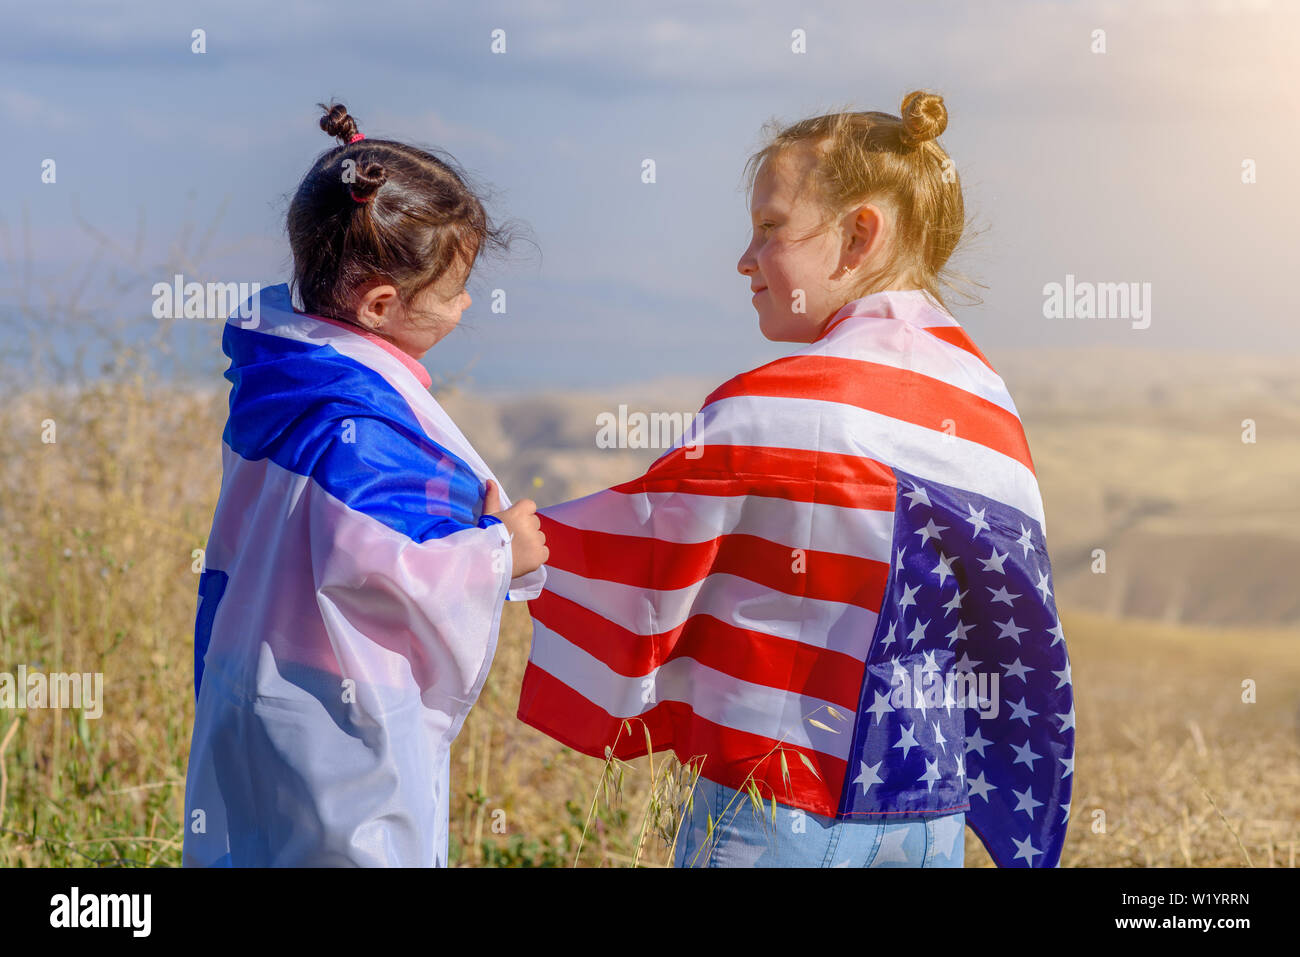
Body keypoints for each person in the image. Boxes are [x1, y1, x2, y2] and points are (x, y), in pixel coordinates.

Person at [516, 91, 1074, 867]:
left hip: (777, 811)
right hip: (929, 817)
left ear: (858, 235)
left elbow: (642, 560)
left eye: (771, 228)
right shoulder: (987, 407)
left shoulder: (769, 408)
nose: (745, 259)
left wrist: (504, 549)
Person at [183, 103, 548, 867]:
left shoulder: (282, 373)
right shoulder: (364, 422)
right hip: (335, 715)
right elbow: (379, 568)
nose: (466, 305)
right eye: (454, 290)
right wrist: (498, 555)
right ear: (382, 305)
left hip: (245, 676)